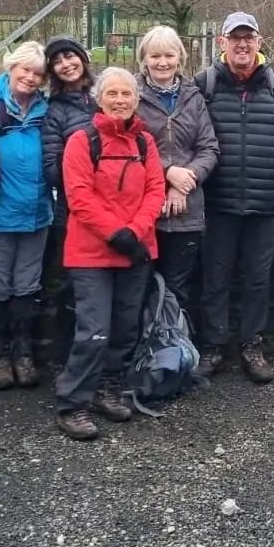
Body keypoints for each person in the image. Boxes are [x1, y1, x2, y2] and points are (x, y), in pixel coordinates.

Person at [54, 67, 165, 440]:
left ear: (137, 99)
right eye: (112, 94)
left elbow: (155, 190)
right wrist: (116, 233)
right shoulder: (81, 142)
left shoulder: (145, 143)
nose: (120, 101)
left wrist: (134, 233)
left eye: (127, 94)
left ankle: (108, 388)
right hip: (91, 253)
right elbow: (79, 196)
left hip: (135, 250)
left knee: (124, 328)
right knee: (94, 332)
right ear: (99, 99)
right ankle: (73, 403)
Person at [194, 12, 274, 384]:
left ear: (260, 41)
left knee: (258, 279)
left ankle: (252, 345)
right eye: (234, 37)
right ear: (222, 42)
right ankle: (213, 346)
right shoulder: (204, 84)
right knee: (216, 278)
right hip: (217, 202)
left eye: (248, 37)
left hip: (264, 203)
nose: (242, 44)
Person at [133, 26, 219, 335]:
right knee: (141, 285)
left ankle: (175, 352)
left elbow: (209, 147)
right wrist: (169, 173)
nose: (162, 63)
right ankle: (143, 353)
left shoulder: (193, 97)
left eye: (169, 55)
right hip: (146, 210)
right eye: (155, 56)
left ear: (180, 57)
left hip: (188, 212)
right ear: (144, 58)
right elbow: (132, 146)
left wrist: (188, 179)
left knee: (180, 289)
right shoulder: (133, 96)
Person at [0, 41, 51, 390]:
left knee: (27, 286)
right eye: (25, 70)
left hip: (36, 212)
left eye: (38, 73)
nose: (31, 78)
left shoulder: (45, 110)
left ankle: (23, 352)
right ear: (11, 68)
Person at [40, 34, 96, 363]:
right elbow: (51, 168)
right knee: (66, 285)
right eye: (58, 61)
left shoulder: (104, 95)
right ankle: (64, 355)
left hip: (114, 207)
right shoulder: (55, 111)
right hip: (72, 210)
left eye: (70, 56)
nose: (66, 64)